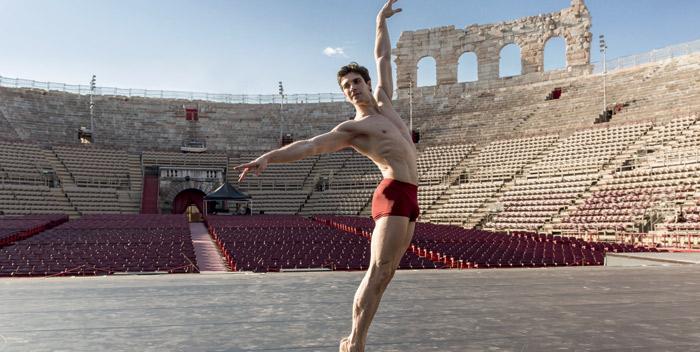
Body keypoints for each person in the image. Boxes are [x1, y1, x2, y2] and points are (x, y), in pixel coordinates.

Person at [234, 1, 416, 351]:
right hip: (392, 193)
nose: (353, 87)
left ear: (366, 83)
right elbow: (310, 147)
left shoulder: (386, 102)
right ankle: (355, 343)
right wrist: (268, 158)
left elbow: (383, 57)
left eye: (356, 81)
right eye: (346, 85)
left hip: (412, 196)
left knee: (387, 275)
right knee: (377, 272)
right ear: (345, 93)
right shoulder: (353, 128)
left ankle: (356, 339)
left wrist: (380, 20)